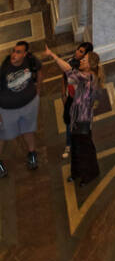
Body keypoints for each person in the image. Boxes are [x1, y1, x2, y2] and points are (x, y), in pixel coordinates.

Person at [43, 45, 103, 187]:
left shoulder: (87, 78)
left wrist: (52, 54)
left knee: (84, 149)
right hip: (77, 118)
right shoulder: (87, 76)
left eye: (85, 60)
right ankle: (76, 173)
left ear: (90, 65)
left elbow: (68, 70)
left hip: (82, 120)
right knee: (77, 147)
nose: (82, 60)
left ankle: (90, 174)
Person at [0, 39, 42, 175]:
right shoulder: (5, 68)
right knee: (3, 135)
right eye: (13, 51)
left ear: (25, 54)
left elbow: (39, 72)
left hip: (28, 105)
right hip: (7, 110)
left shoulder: (31, 60)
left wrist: (37, 93)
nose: (14, 54)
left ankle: (32, 154)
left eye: (18, 52)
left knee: (28, 130)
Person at [60, 41, 93, 160]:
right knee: (69, 122)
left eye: (81, 52)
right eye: (78, 50)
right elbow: (63, 78)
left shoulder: (85, 70)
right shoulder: (70, 62)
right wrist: (63, 94)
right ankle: (69, 144)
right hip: (71, 98)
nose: (77, 53)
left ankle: (81, 147)